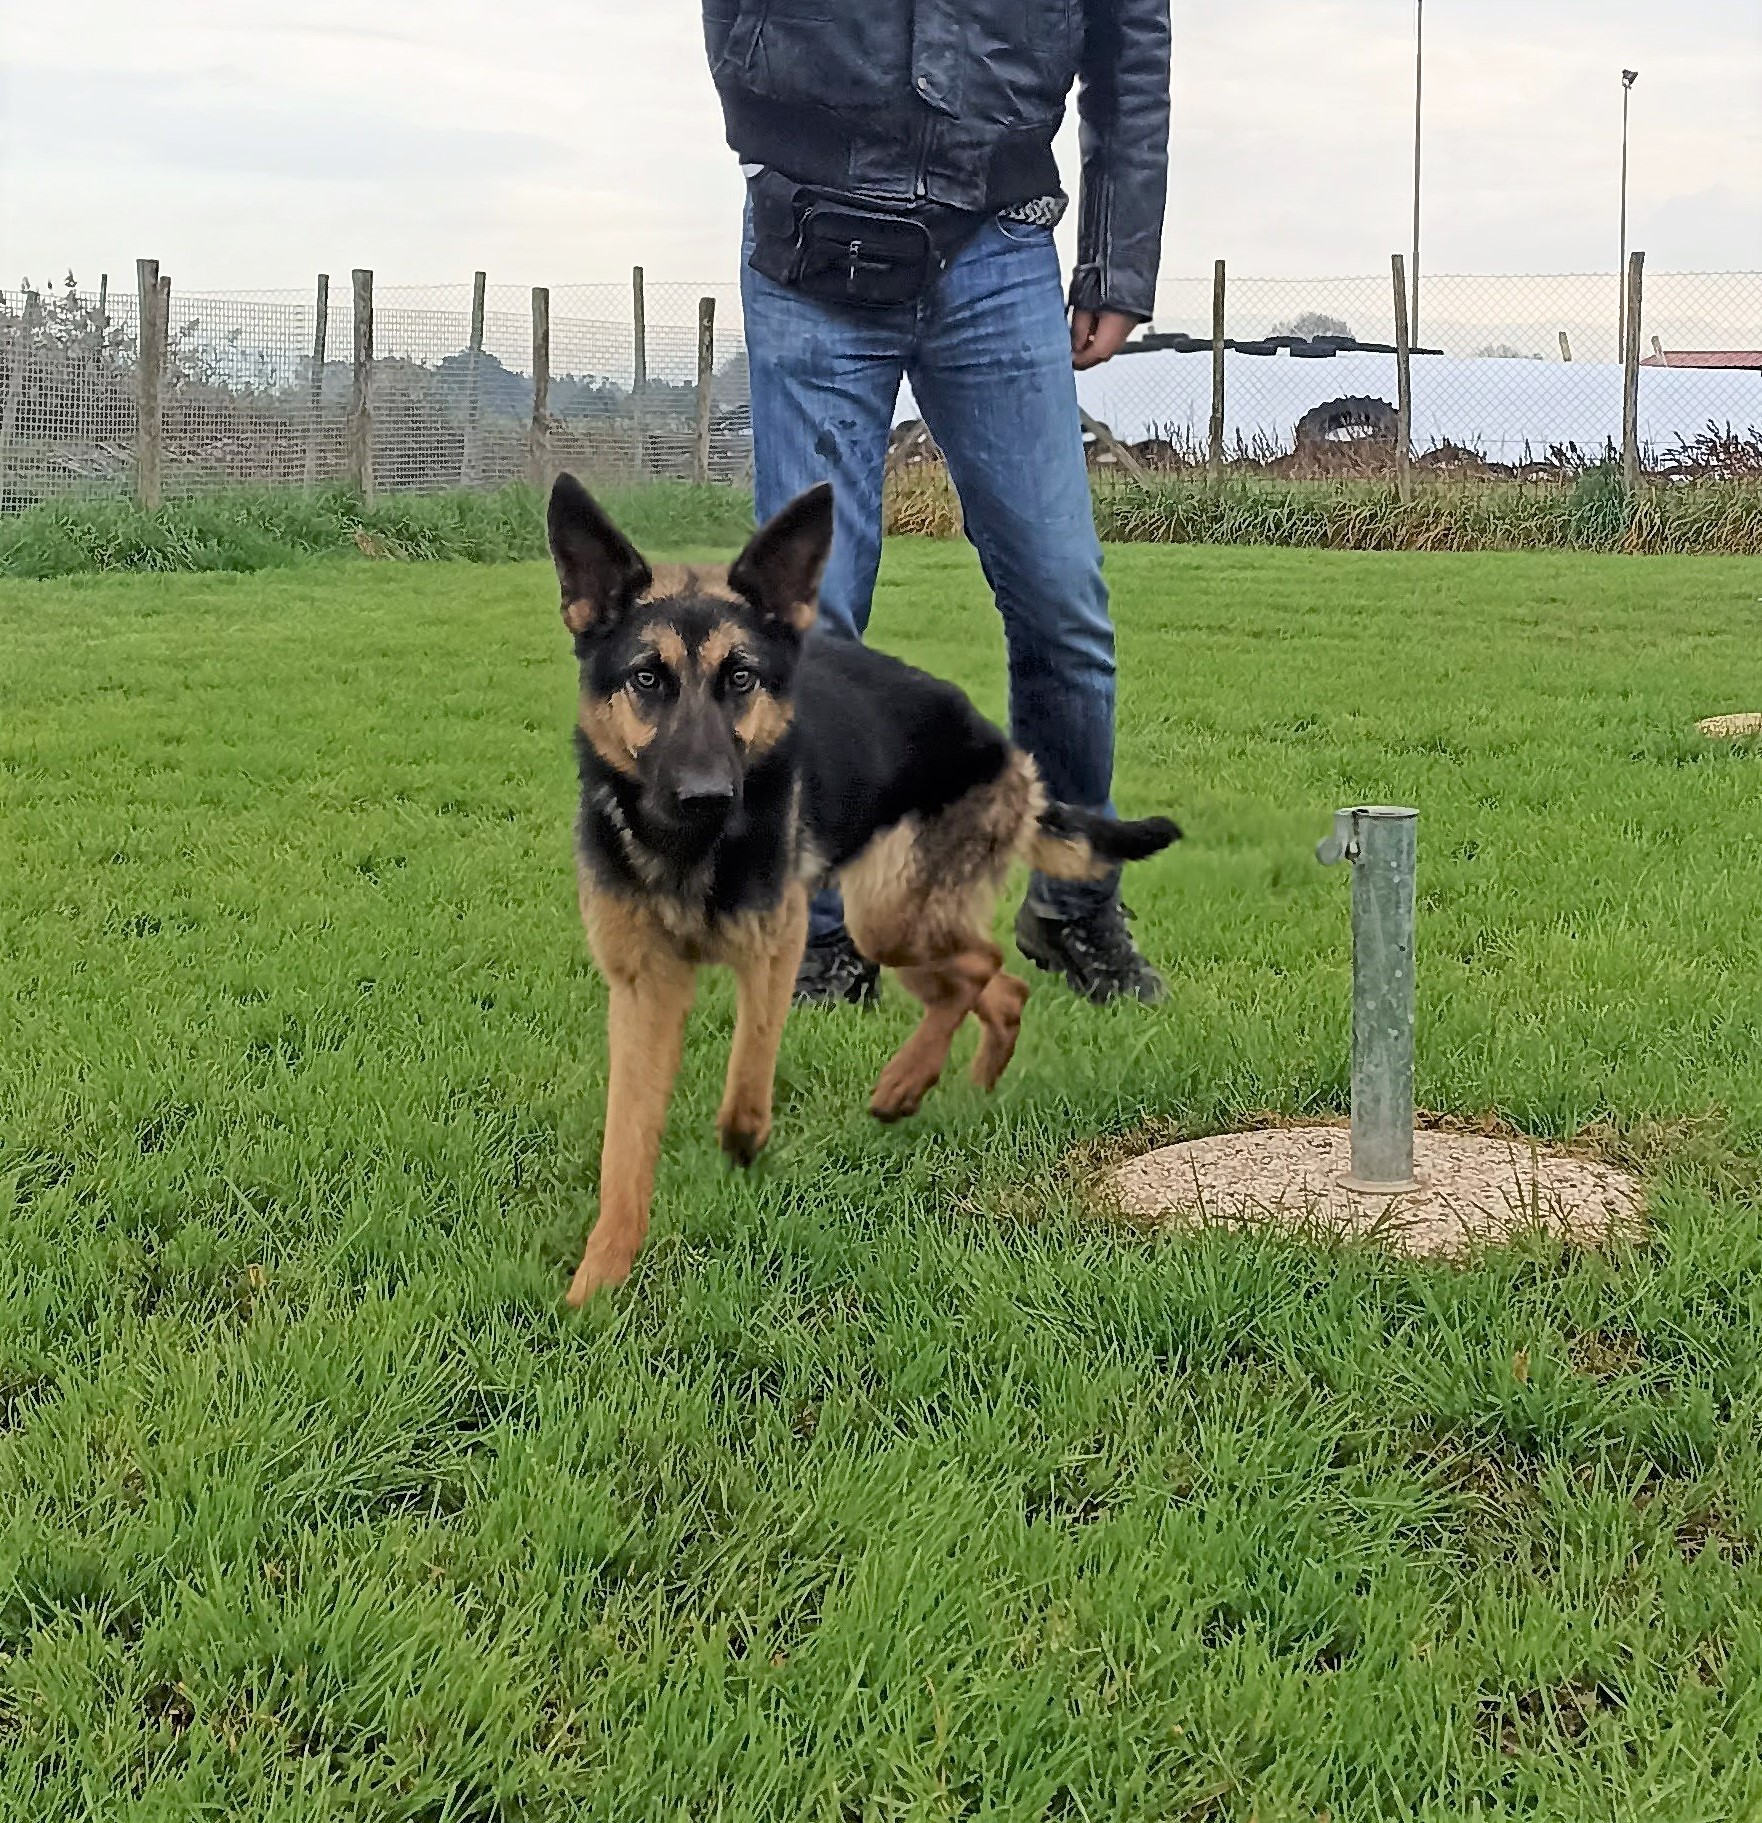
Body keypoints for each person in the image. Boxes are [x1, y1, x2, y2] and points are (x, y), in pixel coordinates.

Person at [700, 0, 1172, 1005]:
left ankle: (1074, 905)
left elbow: (1131, 37)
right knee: (809, 619)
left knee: (1062, 603)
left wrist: (1116, 259)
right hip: (811, 225)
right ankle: (821, 939)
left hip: (999, 238)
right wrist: (766, 95)